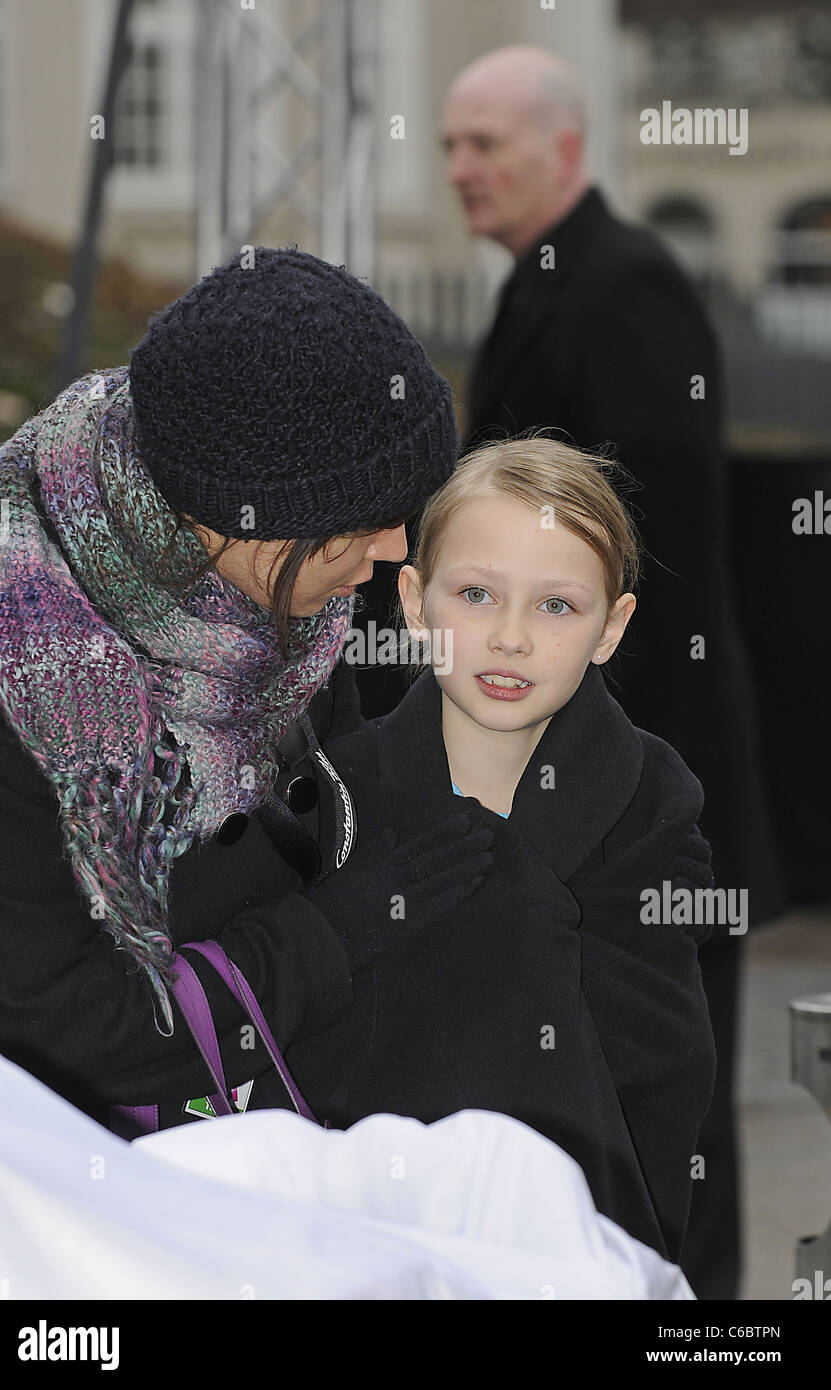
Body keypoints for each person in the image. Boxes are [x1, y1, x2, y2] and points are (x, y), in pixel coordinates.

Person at [0, 247, 494, 1132]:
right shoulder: (9, 682)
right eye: (359, 523)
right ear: (229, 511)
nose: (397, 549)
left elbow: (340, 831)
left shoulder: (279, 605)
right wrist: (325, 941)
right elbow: (60, 1028)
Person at [438, 44, 786, 1299]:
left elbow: (653, 568)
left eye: (484, 143)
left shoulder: (618, 289)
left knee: (660, 1128)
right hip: (591, 804)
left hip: (645, 814)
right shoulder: (550, 284)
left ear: (563, 150)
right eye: (448, 146)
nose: (459, 169)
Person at [247, 435, 718, 1270]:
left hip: (572, 1247)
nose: (509, 637)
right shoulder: (333, 795)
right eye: (476, 594)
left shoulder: (651, 805)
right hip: (367, 1247)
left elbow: (663, 1064)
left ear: (611, 628)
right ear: (415, 602)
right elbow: (292, 1029)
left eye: (556, 606)